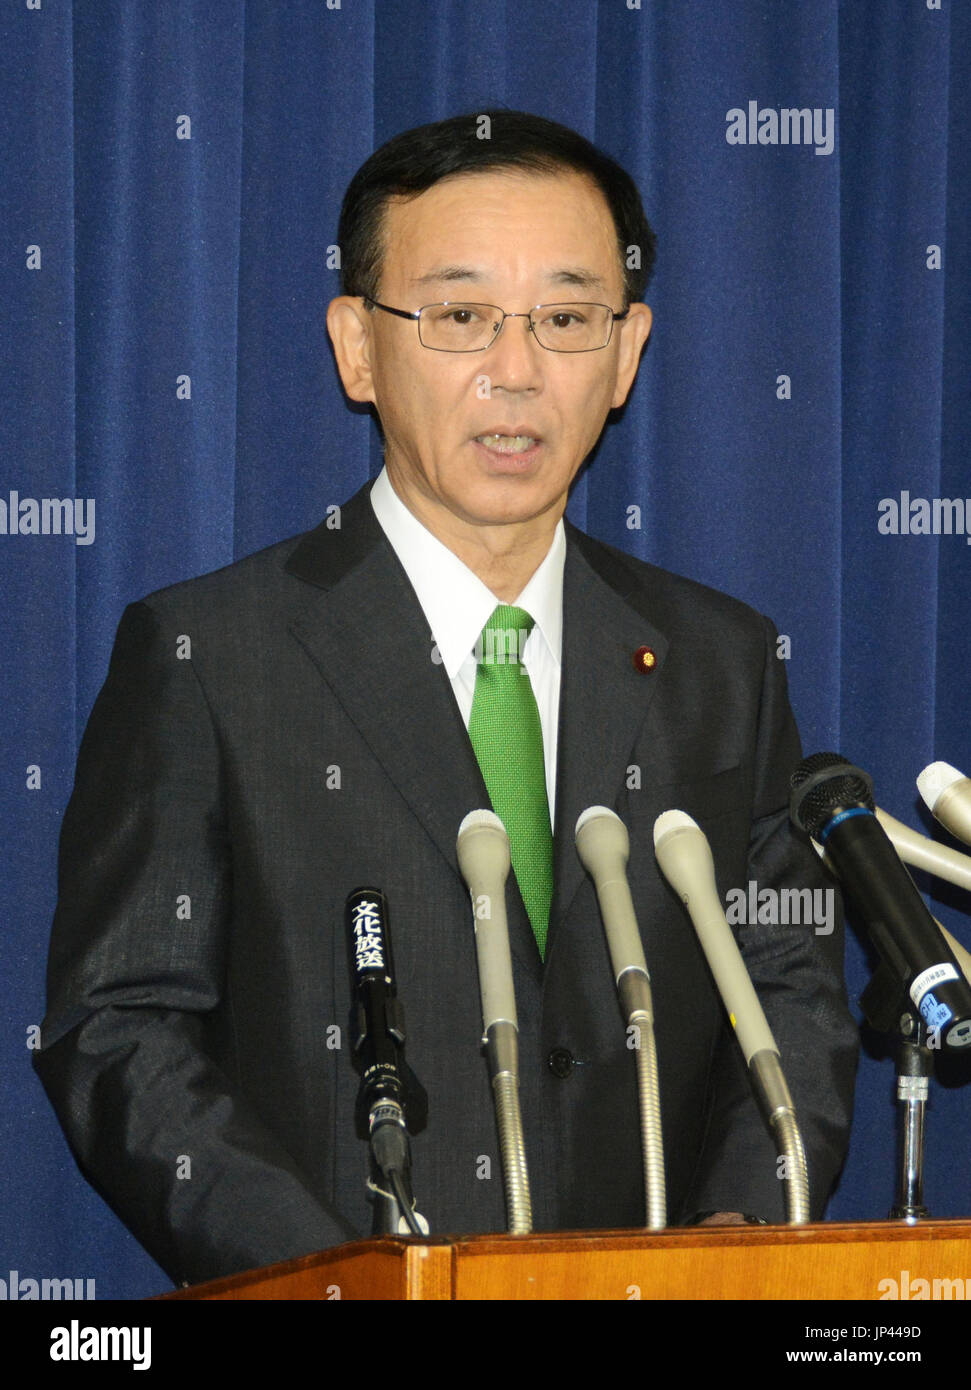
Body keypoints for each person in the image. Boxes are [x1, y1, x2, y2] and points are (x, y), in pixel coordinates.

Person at [35, 110, 858, 1289]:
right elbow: (120, 1029)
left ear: (625, 354)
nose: (514, 369)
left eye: (566, 319)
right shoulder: (210, 654)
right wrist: (338, 1275)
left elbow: (791, 991)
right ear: (357, 348)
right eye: (460, 316)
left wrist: (725, 1246)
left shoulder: (718, 655)